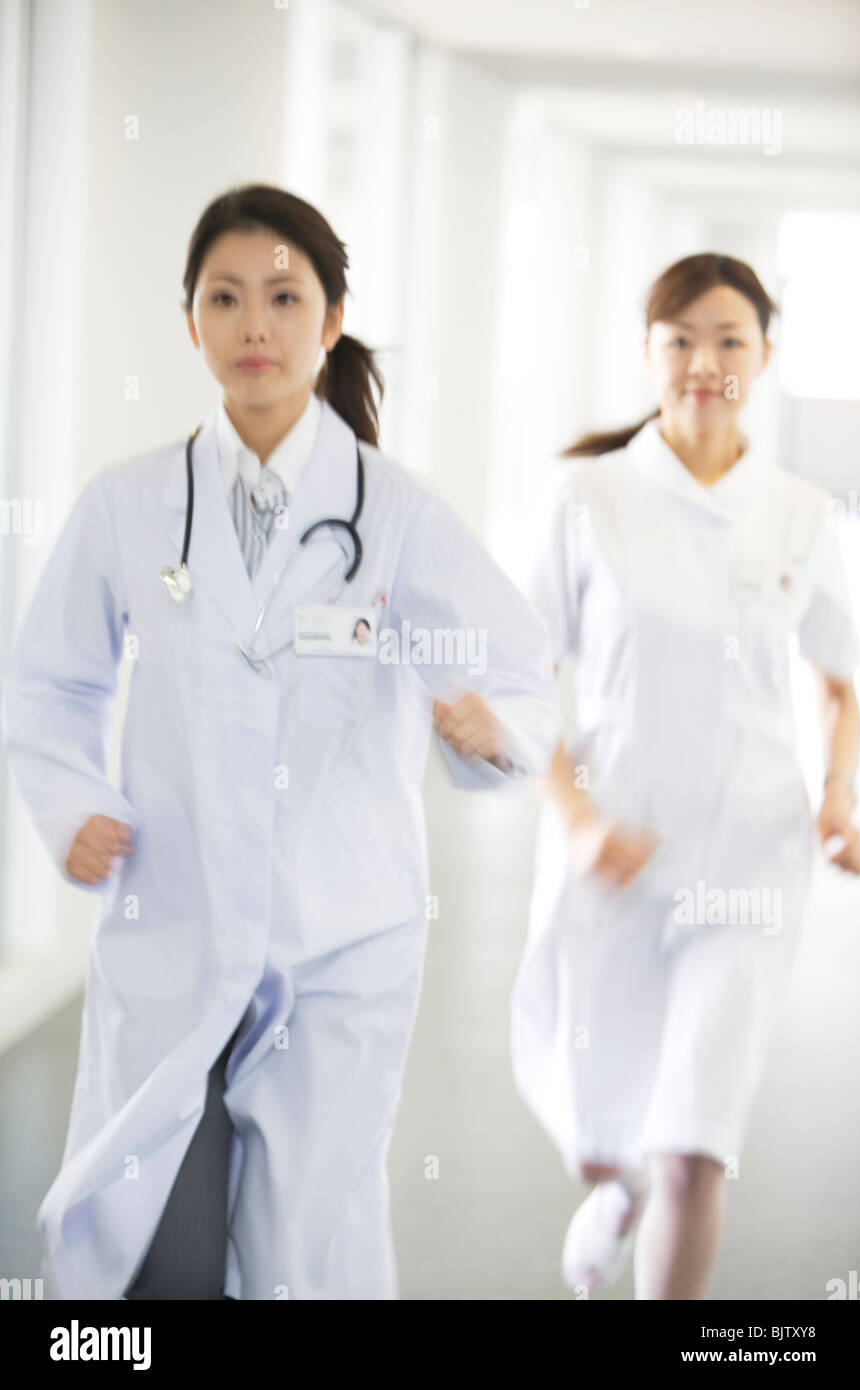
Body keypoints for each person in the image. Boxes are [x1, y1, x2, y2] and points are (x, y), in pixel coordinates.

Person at [2, 183, 560, 1300]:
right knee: (146, 1233)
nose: (254, 324)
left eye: (283, 296)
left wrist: (489, 729)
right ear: (192, 322)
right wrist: (70, 807)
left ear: (331, 318)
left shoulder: (393, 512)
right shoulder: (127, 505)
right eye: (225, 297)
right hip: (175, 908)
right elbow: (49, 680)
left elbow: (519, 666)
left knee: (308, 1244)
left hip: (341, 934)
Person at [510, 252, 860, 1300]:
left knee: (693, 1145)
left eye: (728, 342)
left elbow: (840, 680)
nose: (702, 363)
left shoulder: (801, 512)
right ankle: (609, 1186)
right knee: (604, 1127)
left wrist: (838, 792)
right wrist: (574, 821)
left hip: (749, 856)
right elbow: (525, 680)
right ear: (646, 350)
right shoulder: (589, 496)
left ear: (763, 357)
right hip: (615, 848)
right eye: (680, 340)